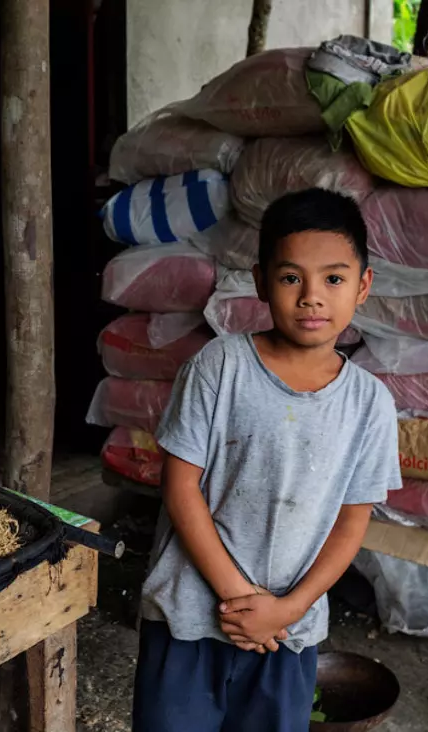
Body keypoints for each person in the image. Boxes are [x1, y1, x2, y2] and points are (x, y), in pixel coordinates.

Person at [131, 188, 402, 732]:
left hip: (288, 631)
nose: (311, 297)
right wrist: (241, 599)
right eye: (289, 277)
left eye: (333, 278)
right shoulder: (221, 366)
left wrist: (287, 608)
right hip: (190, 618)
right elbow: (181, 487)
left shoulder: (369, 402)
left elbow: (353, 523)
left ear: (363, 286)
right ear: (259, 282)